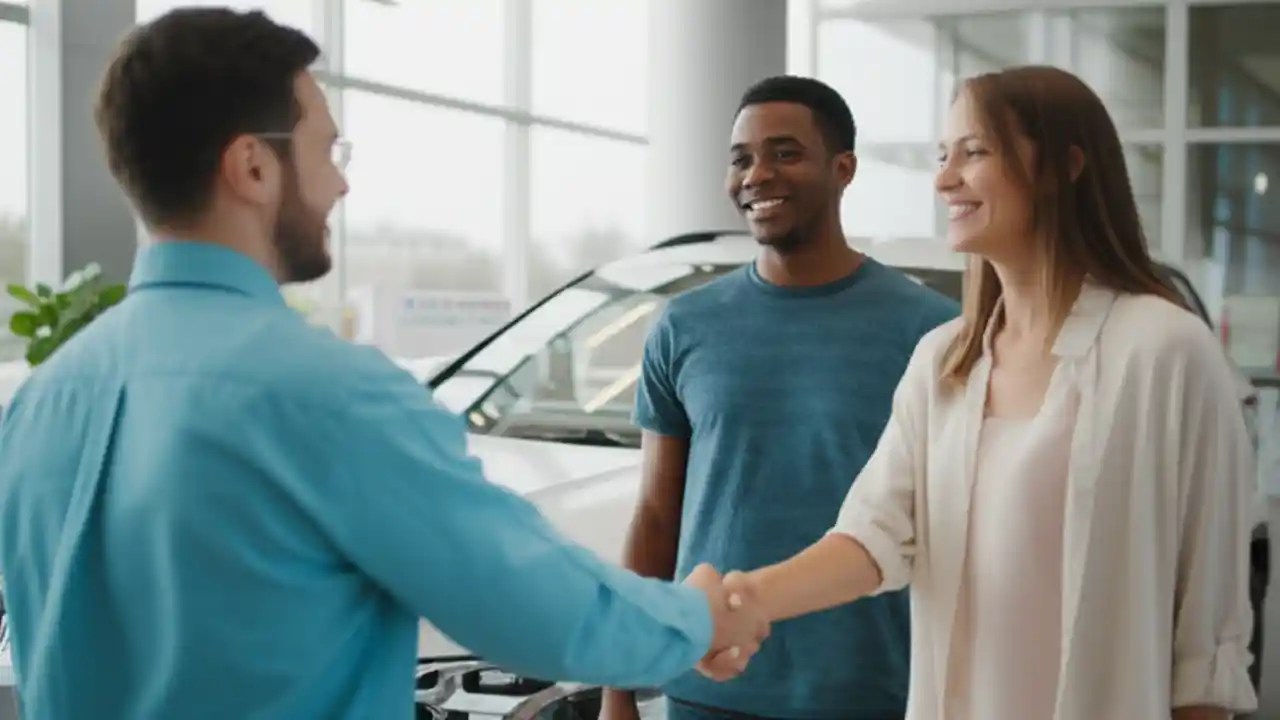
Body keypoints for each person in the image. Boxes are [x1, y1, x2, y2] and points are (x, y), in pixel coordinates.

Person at [0, 9, 770, 720]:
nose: (339, 181)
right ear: (252, 167)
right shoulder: (325, 395)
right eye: (326, 150)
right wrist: (698, 617)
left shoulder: (43, 400)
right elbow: (532, 603)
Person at [703, 65, 1260, 720]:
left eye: (974, 153)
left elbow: (1208, 637)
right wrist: (744, 599)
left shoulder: (1168, 353)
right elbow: (872, 535)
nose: (944, 180)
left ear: (1062, 165)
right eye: (943, 157)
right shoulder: (946, 362)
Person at [600, 76, 959, 720]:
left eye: (785, 153)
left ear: (843, 168)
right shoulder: (684, 327)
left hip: (872, 693)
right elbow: (657, 515)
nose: (757, 174)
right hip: (705, 692)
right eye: (741, 158)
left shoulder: (931, 332)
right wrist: (618, 688)